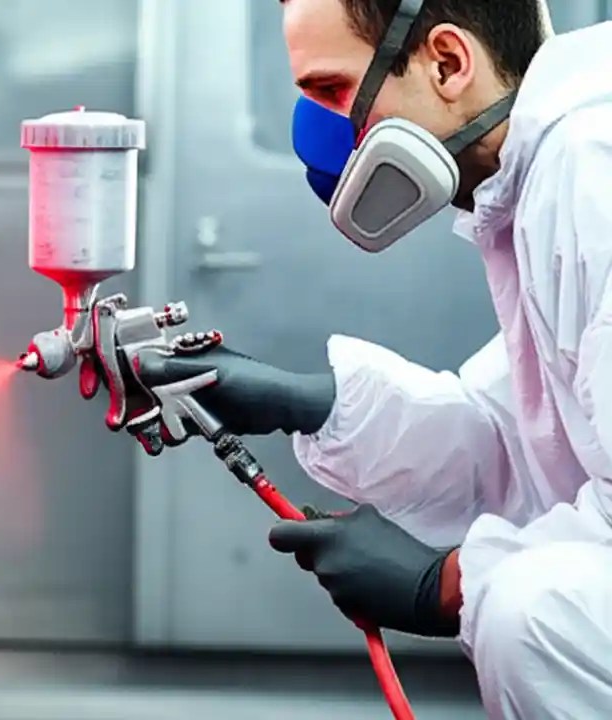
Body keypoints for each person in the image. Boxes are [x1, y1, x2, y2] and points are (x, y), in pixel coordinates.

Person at [162, 0, 612, 717]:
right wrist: (308, 403)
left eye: (332, 90)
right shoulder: (541, 174)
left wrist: (446, 585)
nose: (319, 133)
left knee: (529, 617)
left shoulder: (593, 173)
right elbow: (517, 440)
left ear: (448, 64)